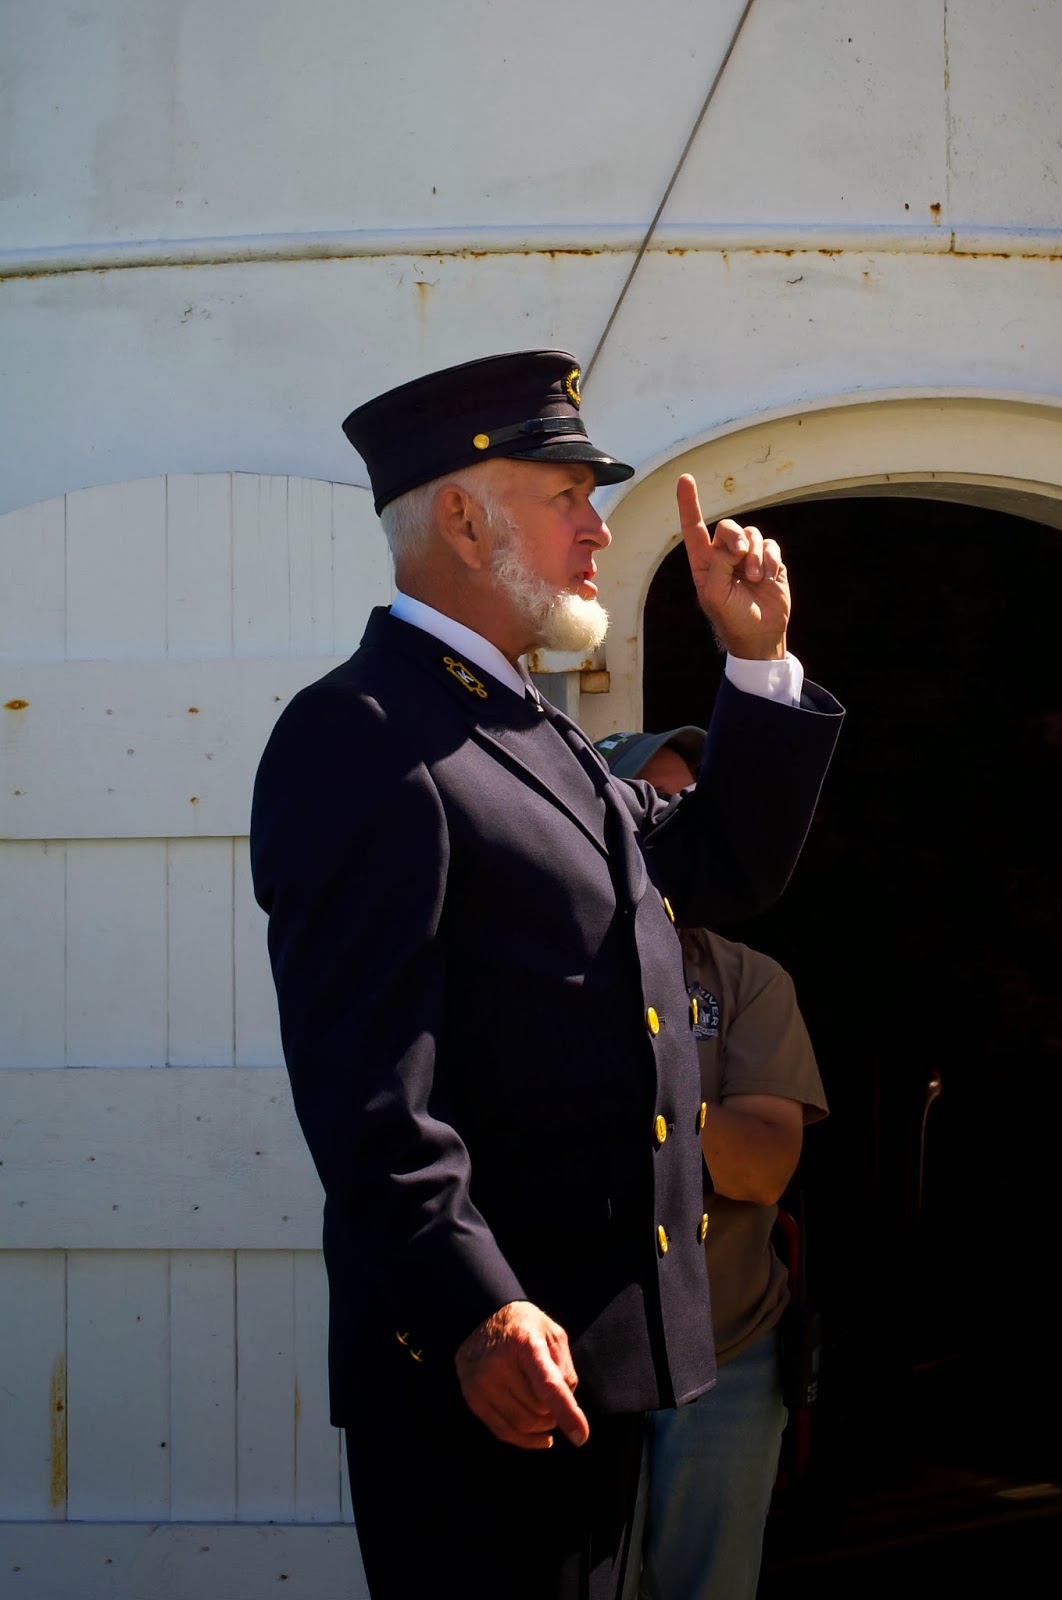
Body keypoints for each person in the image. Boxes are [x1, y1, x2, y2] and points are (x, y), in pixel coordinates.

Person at [249, 349, 843, 1600]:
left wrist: (757, 661)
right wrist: (473, 1309)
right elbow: (366, 1085)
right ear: (461, 515)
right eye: (565, 493)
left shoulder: (530, 722)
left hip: (597, 1358)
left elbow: (721, 865)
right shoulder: (362, 732)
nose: (598, 525)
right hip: (492, 1368)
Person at [596, 727, 828, 1600]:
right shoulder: (536, 973)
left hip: (727, 1356)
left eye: (686, 811)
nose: (671, 833)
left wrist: (640, 1072)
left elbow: (765, 1168)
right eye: (647, 811)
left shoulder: (750, 979)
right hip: (578, 1361)